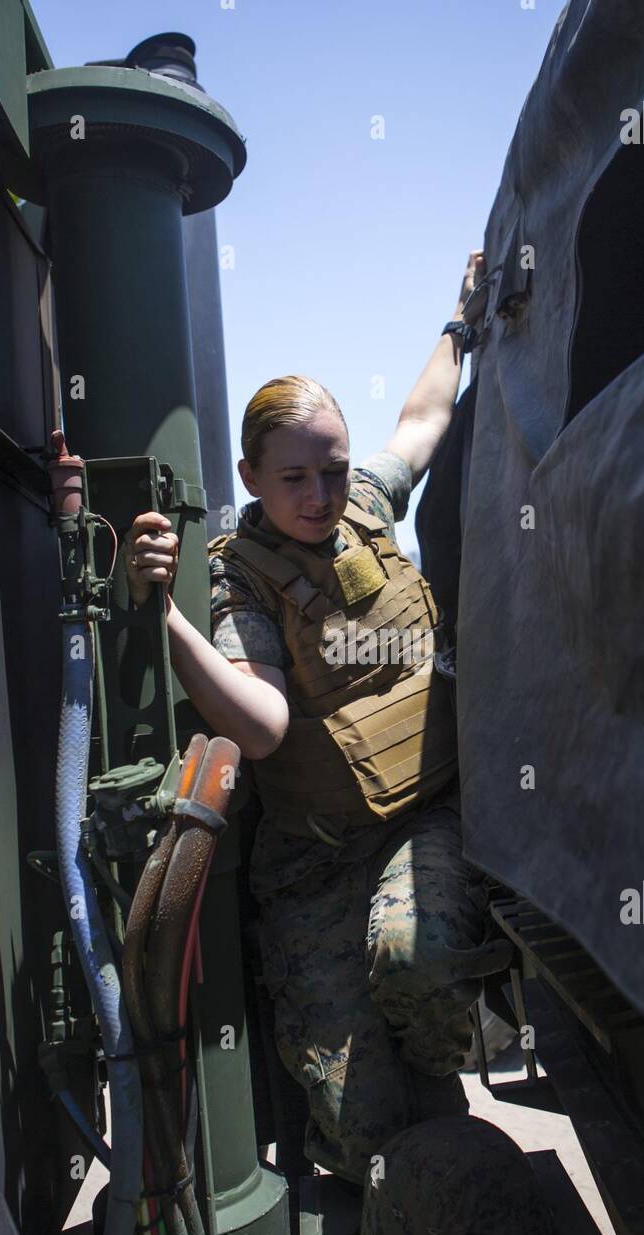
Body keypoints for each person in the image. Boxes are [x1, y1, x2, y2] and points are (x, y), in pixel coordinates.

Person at [123, 251, 514, 1186]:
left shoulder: (368, 511)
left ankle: (447, 1124)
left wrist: (459, 325)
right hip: (314, 857)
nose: (320, 496)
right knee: (360, 1127)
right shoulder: (237, 570)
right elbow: (259, 724)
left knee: (415, 965)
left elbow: (422, 421)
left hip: (427, 820)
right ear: (252, 476)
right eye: (294, 477)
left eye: (332, 471)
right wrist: (166, 618)